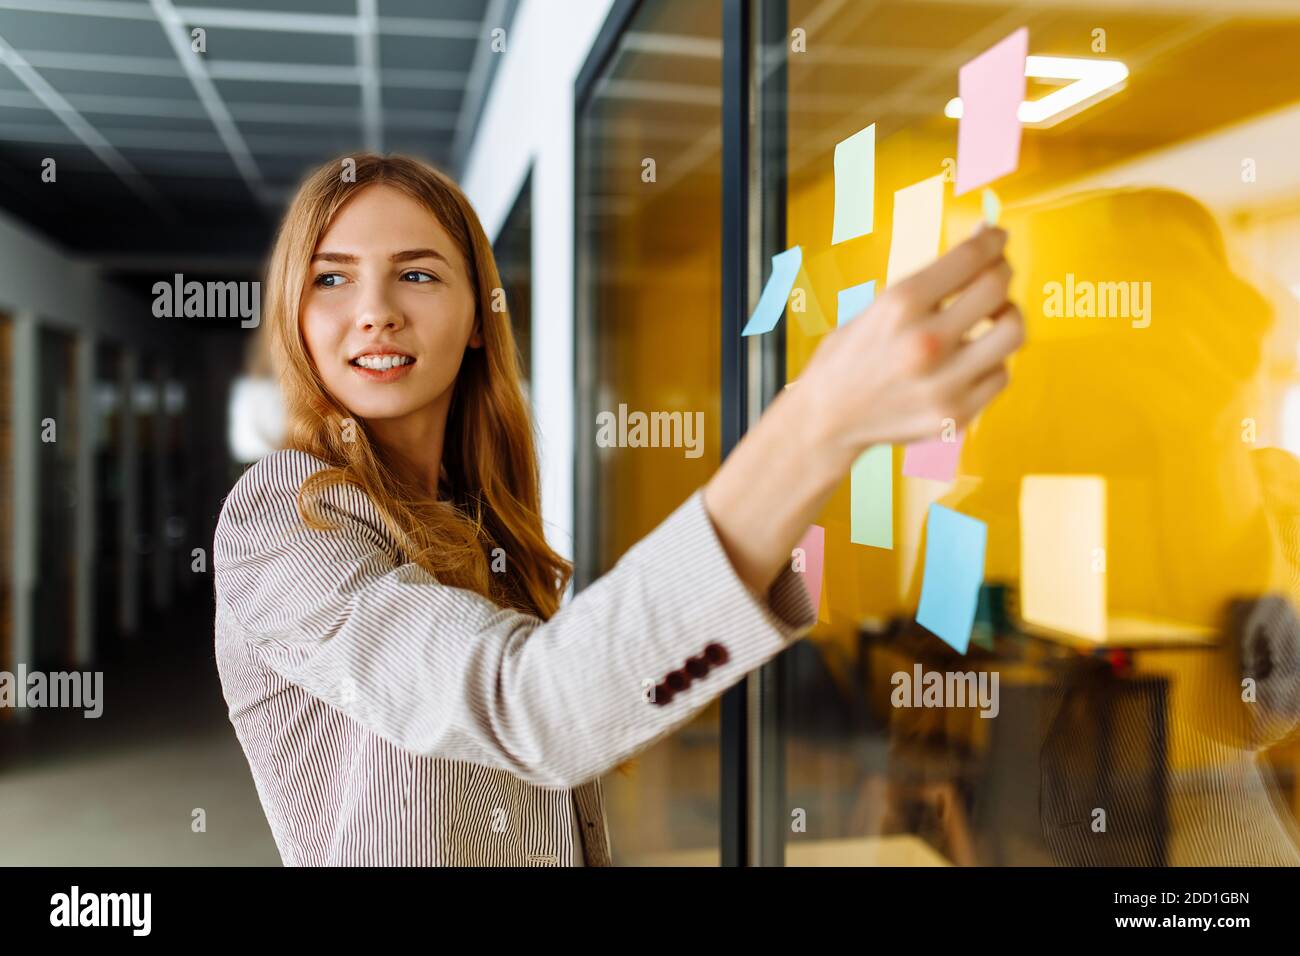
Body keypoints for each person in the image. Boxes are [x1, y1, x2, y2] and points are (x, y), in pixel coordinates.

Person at [212, 152, 1022, 866]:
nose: (376, 308)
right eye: (332, 276)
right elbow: (532, 708)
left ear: (478, 323)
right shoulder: (281, 518)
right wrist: (817, 425)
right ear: (294, 315)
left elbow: (591, 712)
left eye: (418, 273)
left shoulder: (477, 520)